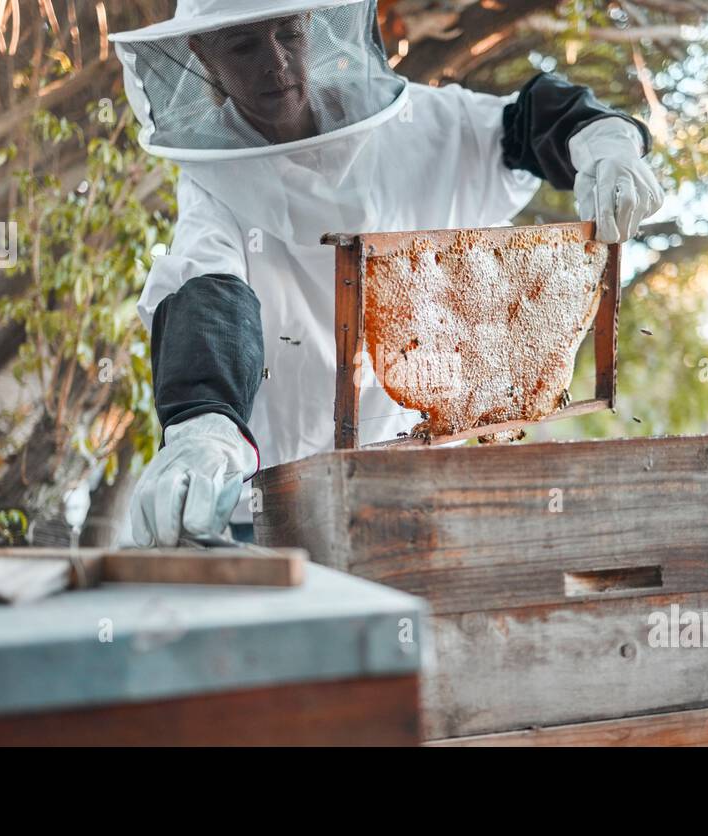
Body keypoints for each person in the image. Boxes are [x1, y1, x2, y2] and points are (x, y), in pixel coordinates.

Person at [109, 0, 664, 547]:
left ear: (315, 24)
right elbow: (209, 289)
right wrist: (204, 422)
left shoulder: (418, 123)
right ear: (202, 54)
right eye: (244, 45)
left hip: (427, 481)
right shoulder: (215, 178)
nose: (275, 63)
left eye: (288, 34)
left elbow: (527, 122)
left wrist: (604, 143)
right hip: (284, 495)